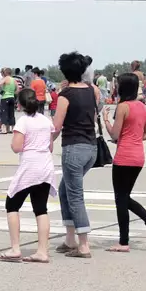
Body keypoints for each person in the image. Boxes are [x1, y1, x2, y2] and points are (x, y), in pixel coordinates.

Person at [104, 73, 146, 252]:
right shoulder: (140, 106)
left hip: (123, 156)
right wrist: (133, 137)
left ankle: (124, 241)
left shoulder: (123, 107)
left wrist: (106, 120)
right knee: (124, 197)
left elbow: (115, 135)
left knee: (120, 199)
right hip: (138, 156)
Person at [52, 52, 100, 258]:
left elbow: (56, 126)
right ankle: (70, 239)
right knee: (65, 191)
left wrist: (45, 145)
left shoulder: (65, 96)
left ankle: (83, 245)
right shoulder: (92, 90)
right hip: (91, 147)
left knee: (75, 196)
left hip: (74, 148)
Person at [0, 89, 55, 263]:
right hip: (45, 165)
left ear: (20, 104)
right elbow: (51, 146)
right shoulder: (46, 121)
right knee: (41, 208)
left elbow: (17, 146)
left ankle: (15, 248)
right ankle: (42, 251)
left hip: (30, 166)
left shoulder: (23, 122)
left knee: (12, 204)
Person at [0, 68, 17, 134]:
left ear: (5, 73)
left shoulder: (6, 78)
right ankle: (13, 128)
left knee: (4, 113)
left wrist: (1, 90)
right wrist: (12, 92)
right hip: (12, 97)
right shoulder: (14, 80)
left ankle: (4, 130)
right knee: (11, 114)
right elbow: (18, 89)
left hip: (5, 97)